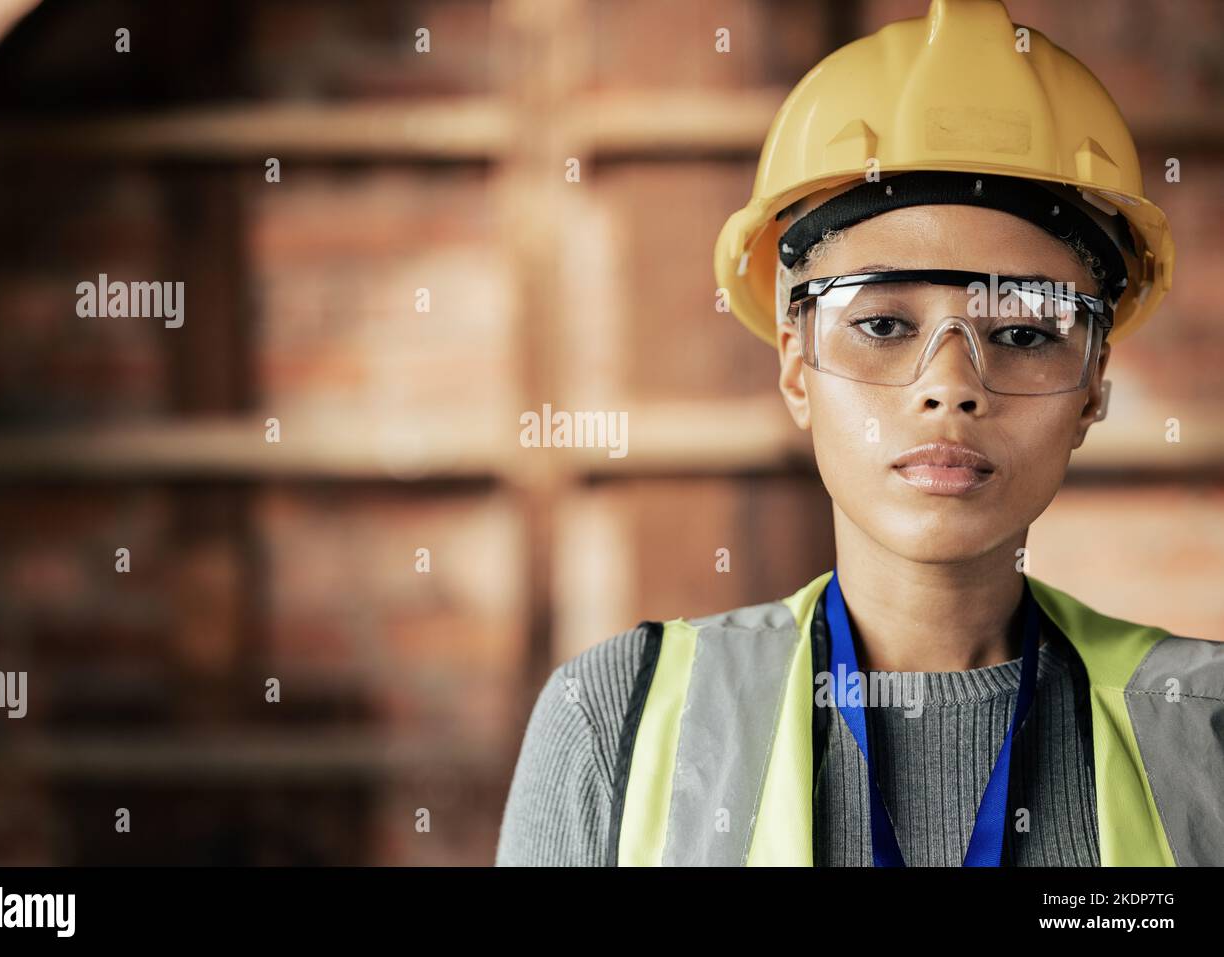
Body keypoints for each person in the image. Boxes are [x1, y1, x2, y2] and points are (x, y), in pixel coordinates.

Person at [495, 0, 1223, 867]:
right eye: (882, 325)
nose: (950, 388)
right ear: (797, 367)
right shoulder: (615, 718)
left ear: (1094, 386)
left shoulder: (1202, 724)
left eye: (1024, 333)